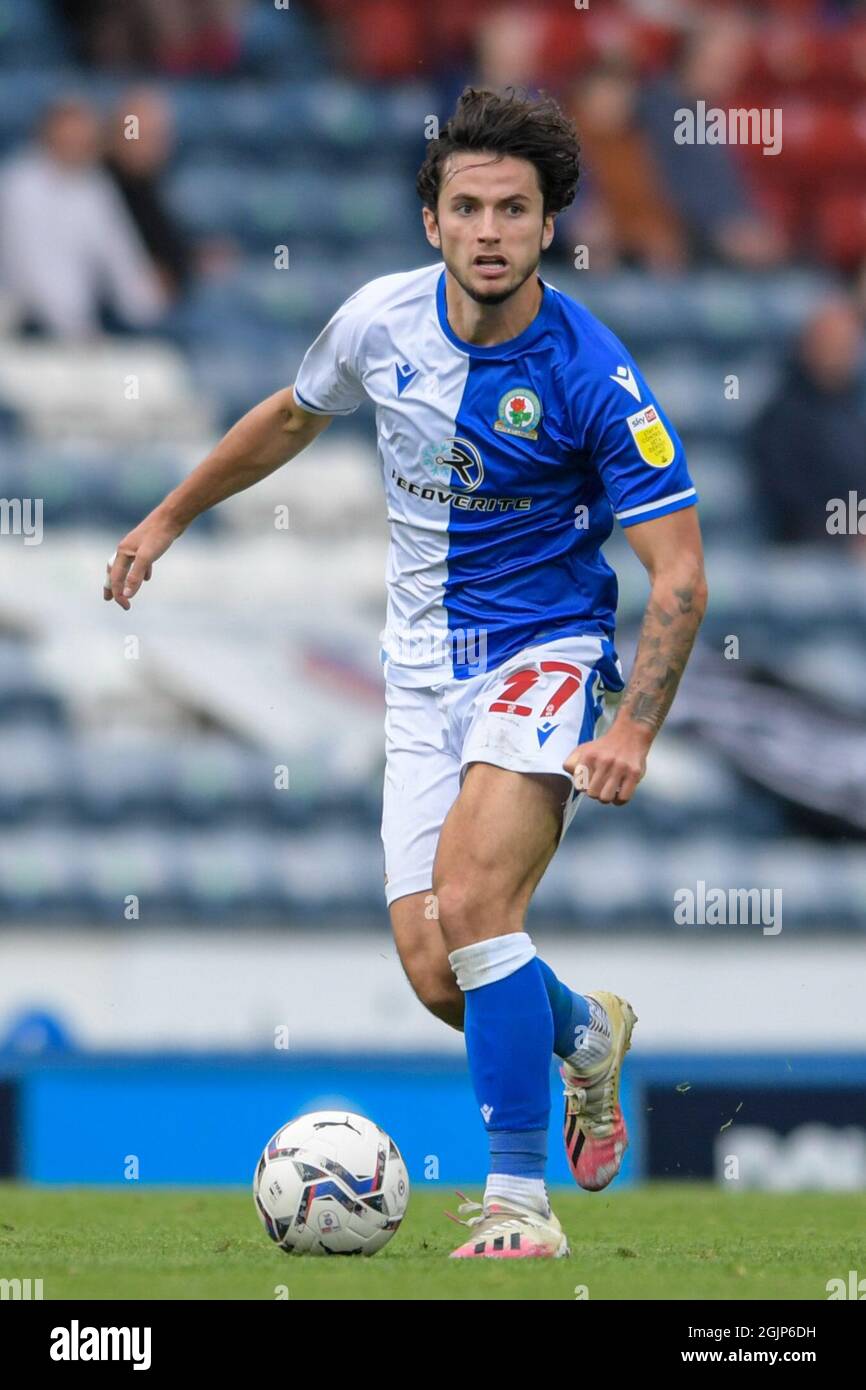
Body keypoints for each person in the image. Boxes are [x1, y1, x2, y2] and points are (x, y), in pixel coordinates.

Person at [104, 87, 707, 1259]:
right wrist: (168, 516)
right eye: (467, 206)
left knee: (481, 910)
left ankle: (518, 1209)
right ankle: (586, 1035)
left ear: (546, 228)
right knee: (445, 973)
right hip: (419, 673)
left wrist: (631, 726)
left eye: (514, 211)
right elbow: (289, 416)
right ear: (431, 220)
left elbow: (678, 576)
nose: (489, 230)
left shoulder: (591, 373)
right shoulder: (379, 322)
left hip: (541, 656)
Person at [0, 97, 167, 339]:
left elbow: (119, 254)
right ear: (49, 133)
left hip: (83, 325)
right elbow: (30, 269)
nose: (75, 142)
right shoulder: (18, 185)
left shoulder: (95, 187)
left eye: (82, 136)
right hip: (25, 322)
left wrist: (149, 308)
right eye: (68, 135)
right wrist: (73, 327)